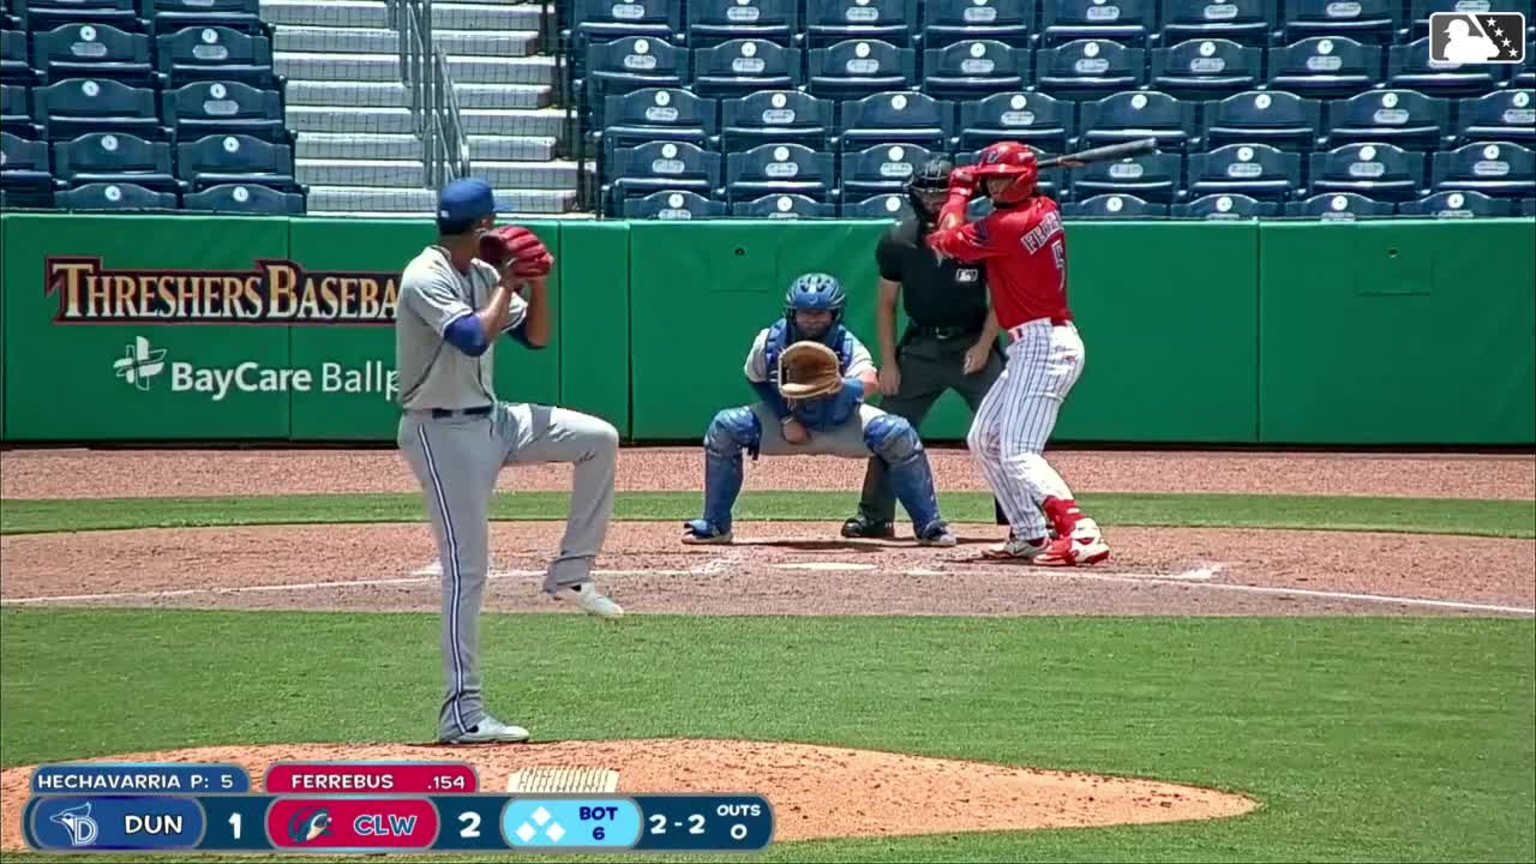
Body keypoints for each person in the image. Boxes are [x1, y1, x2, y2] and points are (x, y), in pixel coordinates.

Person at [394, 177, 624, 746]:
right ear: (481, 225)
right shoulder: (425, 275)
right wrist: (512, 280)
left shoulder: (484, 273)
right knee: (466, 573)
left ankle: (570, 574)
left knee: (598, 437)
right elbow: (472, 338)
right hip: (440, 431)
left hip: (492, 419)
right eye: (491, 223)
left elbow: (538, 338)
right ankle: (462, 715)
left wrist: (538, 285)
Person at [926, 142, 1111, 566]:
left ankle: (1080, 531)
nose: (994, 184)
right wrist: (986, 178)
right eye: (992, 177)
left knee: (1019, 451)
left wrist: (959, 191)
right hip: (1031, 343)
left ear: (1024, 179)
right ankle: (1029, 533)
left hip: (1046, 347)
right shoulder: (1044, 206)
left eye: (1003, 177)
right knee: (983, 438)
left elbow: (945, 240)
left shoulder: (1009, 224)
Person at [681, 272, 957, 547]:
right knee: (725, 426)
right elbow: (755, 377)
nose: (812, 319)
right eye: (805, 313)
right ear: (792, 313)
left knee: (898, 432)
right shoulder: (769, 340)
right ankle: (715, 524)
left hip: (841, 423)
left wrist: (842, 385)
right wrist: (786, 417)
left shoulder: (847, 343)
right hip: (788, 424)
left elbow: (870, 381)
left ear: (835, 314)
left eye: (820, 313)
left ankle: (929, 524)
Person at [842, 157, 1011, 540]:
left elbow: (1002, 296)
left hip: (972, 343)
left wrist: (985, 345)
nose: (935, 201)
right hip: (921, 345)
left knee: (1005, 430)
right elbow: (886, 303)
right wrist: (888, 362)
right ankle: (874, 516)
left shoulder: (981, 236)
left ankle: (1020, 518)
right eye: (928, 193)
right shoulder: (898, 240)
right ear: (914, 195)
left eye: (942, 193)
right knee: (888, 430)